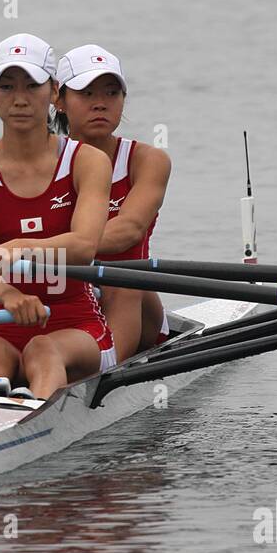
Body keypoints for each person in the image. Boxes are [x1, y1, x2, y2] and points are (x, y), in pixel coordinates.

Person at [0, 33, 115, 400]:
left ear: (54, 92)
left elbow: (84, 246)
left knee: (43, 349)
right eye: (6, 87)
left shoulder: (87, 162)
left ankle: (29, 417)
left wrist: (18, 248)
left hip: (76, 324)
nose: (19, 99)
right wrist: (8, 296)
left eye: (32, 85)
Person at [54, 44, 171, 361]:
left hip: (129, 298)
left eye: (111, 93)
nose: (100, 104)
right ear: (59, 100)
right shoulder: (39, 164)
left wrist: (36, 250)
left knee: (120, 281)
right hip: (62, 294)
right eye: (87, 94)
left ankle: (98, 370)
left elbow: (128, 232)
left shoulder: (147, 160)